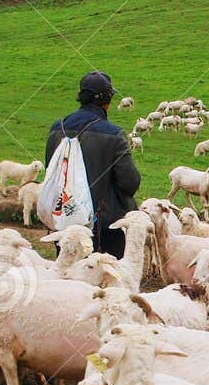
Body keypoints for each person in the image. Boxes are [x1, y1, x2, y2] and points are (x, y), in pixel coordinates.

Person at [46, 71, 141, 255]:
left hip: (64, 219)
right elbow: (130, 183)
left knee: (67, 273)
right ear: (108, 99)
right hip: (103, 227)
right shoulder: (113, 135)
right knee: (104, 278)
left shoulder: (57, 129)